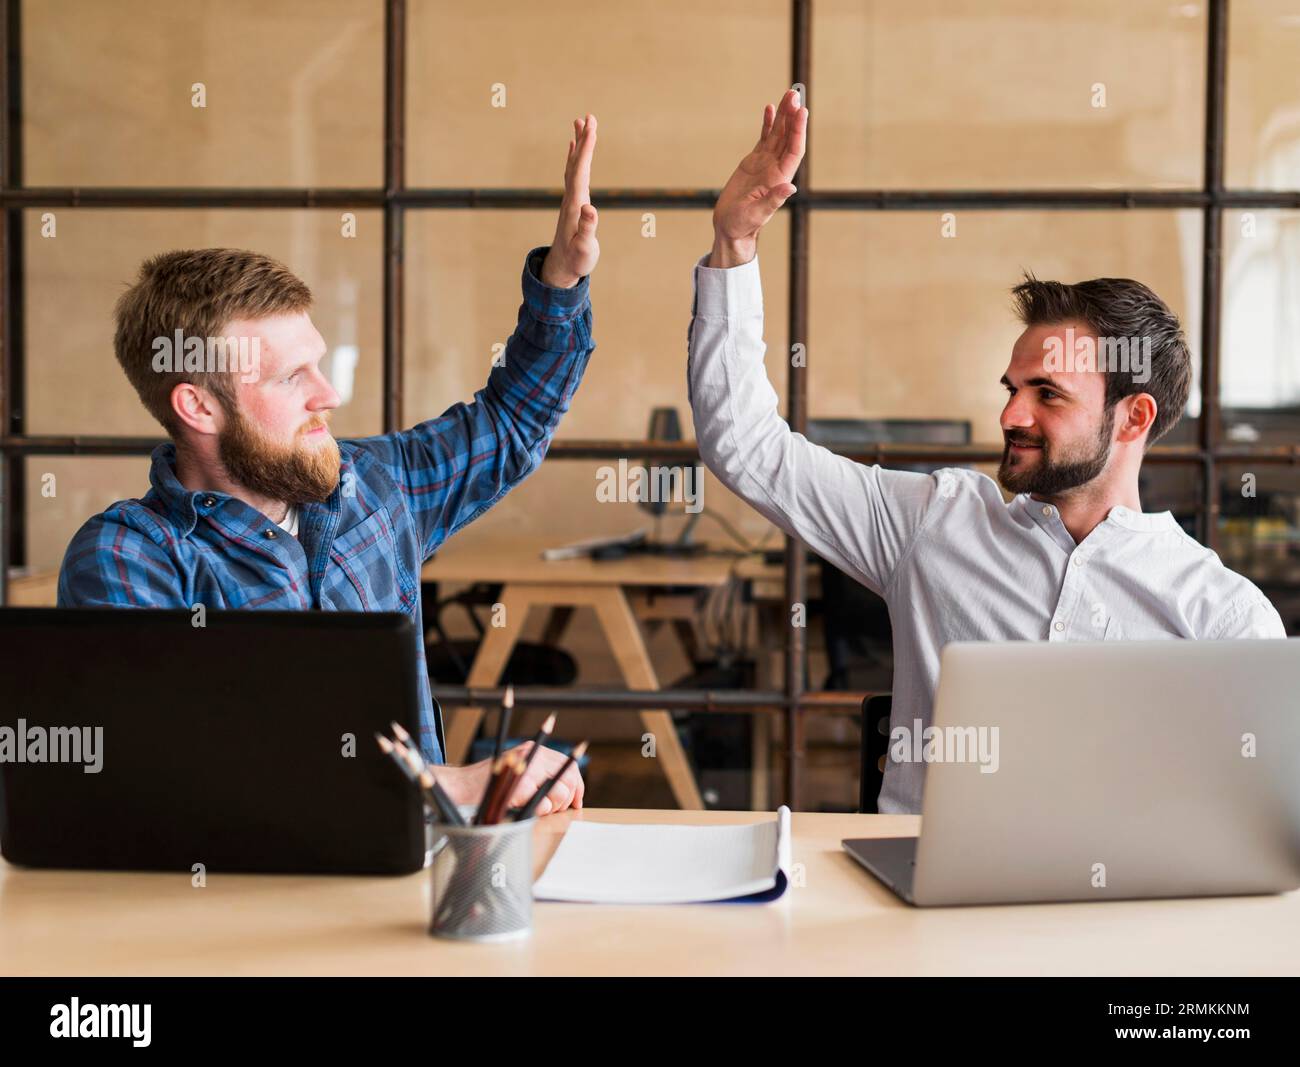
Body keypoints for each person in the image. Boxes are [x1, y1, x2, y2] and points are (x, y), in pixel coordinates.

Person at [688, 90, 1285, 814]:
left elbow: (1250, 819)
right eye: (1011, 387)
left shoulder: (1222, 617)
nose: (1010, 413)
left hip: (1113, 915)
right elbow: (744, 443)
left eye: (1047, 394)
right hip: (922, 905)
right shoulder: (931, 522)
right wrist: (734, 243)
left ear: (1133, 418)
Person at [58, 117, 603, 817]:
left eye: (319, 361)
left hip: (409, 898)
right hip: (231, 915)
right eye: (292, 378)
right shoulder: (128, 557)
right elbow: (172, 770)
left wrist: (562, 280)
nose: (329, 394)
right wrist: (446, 786)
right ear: (197, 405)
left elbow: (509, 422)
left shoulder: (373, 485)